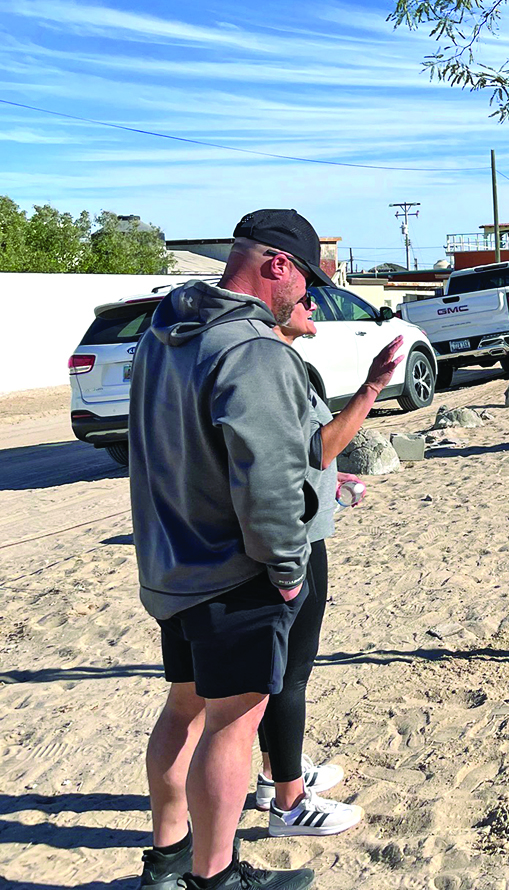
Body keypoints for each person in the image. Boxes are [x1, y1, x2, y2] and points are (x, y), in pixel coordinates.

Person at [131, 210, 327, 890]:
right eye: (303, 277)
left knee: (182, 707)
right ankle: (216, 879)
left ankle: (166, 862)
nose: (302, 295)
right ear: (277, 263)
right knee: (232, 724)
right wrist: (286, 572)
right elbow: (268, 479)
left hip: (170, 564)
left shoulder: (163, 330)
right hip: (230, 568)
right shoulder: (254, 349)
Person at [249, 294, 404, 837]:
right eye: (303, 295)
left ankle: (276, 773)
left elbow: (295, 455)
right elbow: (319, 446)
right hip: (293, 539)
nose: (312, 302)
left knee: (284, 669)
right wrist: (373, 386)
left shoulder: (281, 362)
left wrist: (330, 483)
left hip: (300, 526)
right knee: (290, 671)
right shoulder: (270, 363)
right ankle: (289, 803)